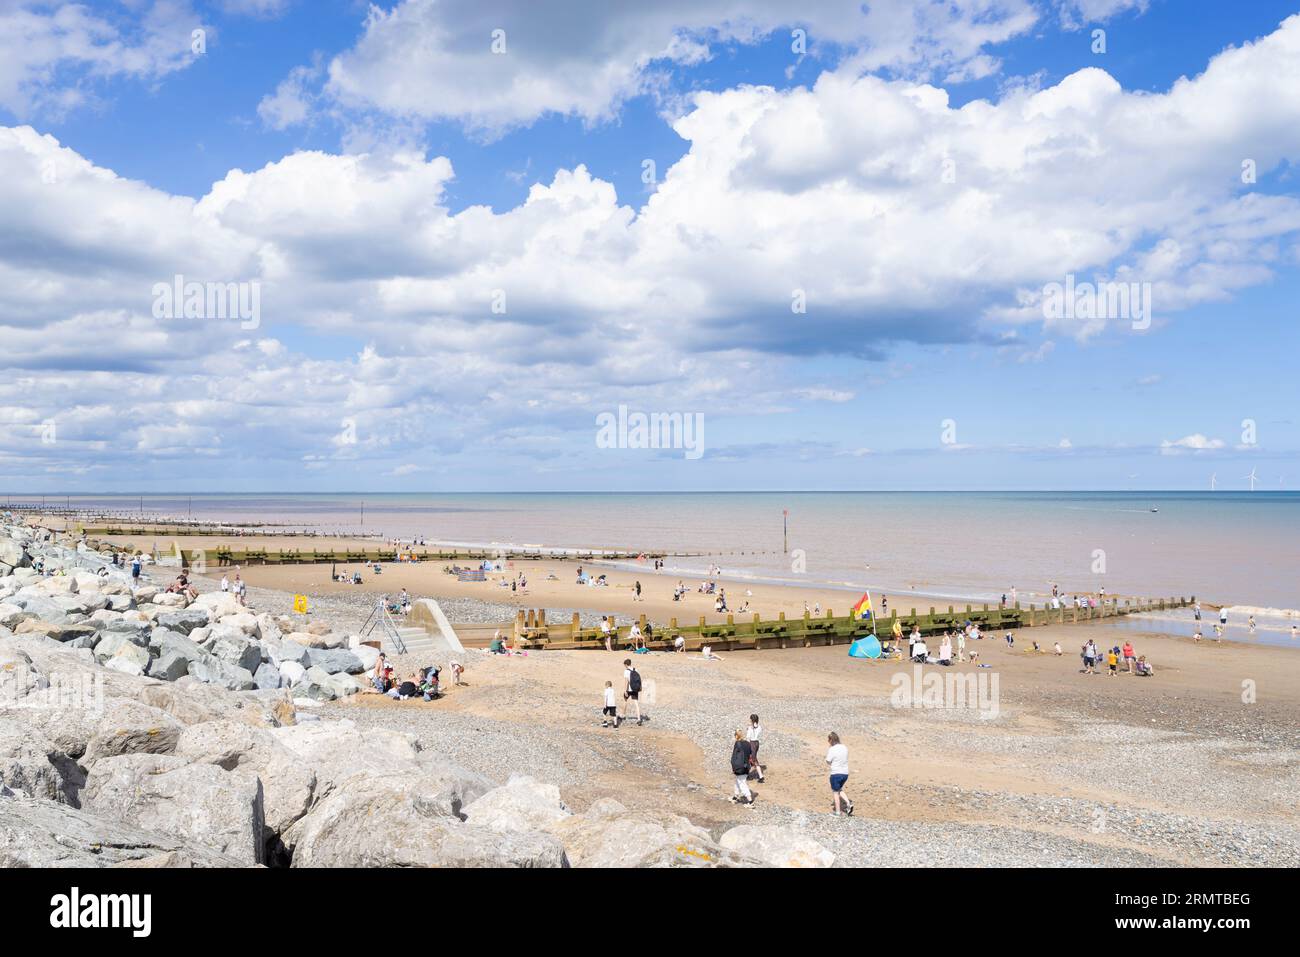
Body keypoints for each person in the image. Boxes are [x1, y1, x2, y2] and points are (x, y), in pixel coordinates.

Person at [825, 732, 853, 816]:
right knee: (839, 789)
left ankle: (837, 812)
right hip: (845, 773)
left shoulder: (832, 749)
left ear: (831, 740)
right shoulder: (844, 747)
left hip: (836, 773)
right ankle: (848, 803)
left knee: (835, 792)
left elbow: (828, 760)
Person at [731, 731, 755, 806]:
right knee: (738, 781)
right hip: (747, 766)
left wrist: (734, 767)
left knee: (742, 783)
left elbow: (734, 757)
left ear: (736, 736)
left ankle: (750, 802)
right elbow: (750, 754)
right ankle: (735, 797)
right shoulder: (747, 743)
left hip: (740, 767)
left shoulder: (737, 744)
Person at [622, 659, 643, 725]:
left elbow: (626, 682)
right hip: (635, 689)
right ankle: (639, 719)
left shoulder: (626, 671)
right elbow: (639, 680)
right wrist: (640, 688)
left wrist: (625, 690)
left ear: (626, 664)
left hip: (629, 689)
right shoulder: (635, 669)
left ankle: (623, 715)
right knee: (636, 703)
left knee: (625, 701)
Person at [746, 714, 765, 782]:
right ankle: (747, 774)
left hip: (752, 743)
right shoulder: (759, 727)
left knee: (753, 759)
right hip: (757, 743)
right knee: (751, 759)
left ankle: (761, 776)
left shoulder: (750, 728)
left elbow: (748, 738)